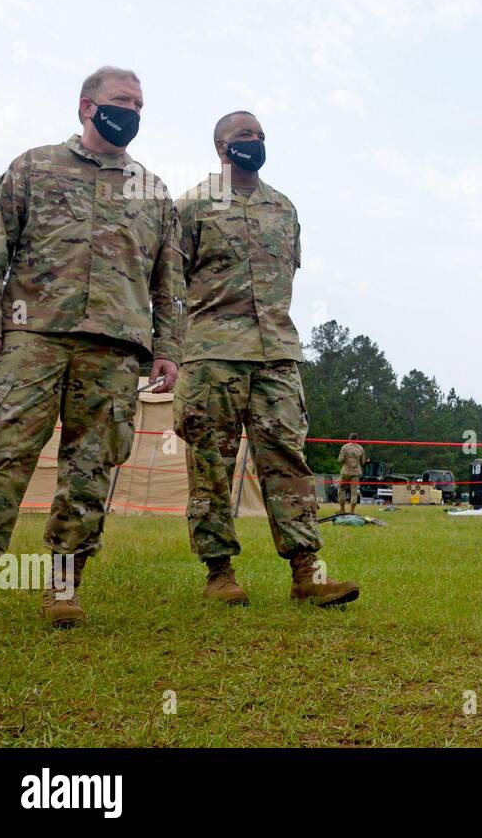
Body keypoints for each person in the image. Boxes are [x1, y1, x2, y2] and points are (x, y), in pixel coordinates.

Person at [0, 66, 181, 627]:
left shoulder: (152, 191)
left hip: (115, 350)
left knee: (91, 470)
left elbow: (168, 282)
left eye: (139, 103)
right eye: (120, 100)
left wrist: (169, 349)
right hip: (32, 338)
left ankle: (64, 585)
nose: (131, 111)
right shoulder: (33, 167)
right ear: (87, 107)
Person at [175, 110, 359, 608]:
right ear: (220, 146)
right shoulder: (191, 207)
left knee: (287, 462)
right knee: (211, 464)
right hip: (213, 354)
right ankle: (219, 573)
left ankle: (307, 573)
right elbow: (170, 287)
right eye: (243, 136)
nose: (254, 143)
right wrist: (169, 355)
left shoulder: (285, 208)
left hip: (276, 352)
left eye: (259, 136)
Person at [337, 433, 367, 514]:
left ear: (349, 438)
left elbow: (340, 460)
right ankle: (352, 511)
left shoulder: (345, 447)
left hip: (346, 471)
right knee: (354, 492)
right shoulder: (360, 448)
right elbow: (363, 461)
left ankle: (342, 509)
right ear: (357, 439)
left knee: (341, 489)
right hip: (356, 472)